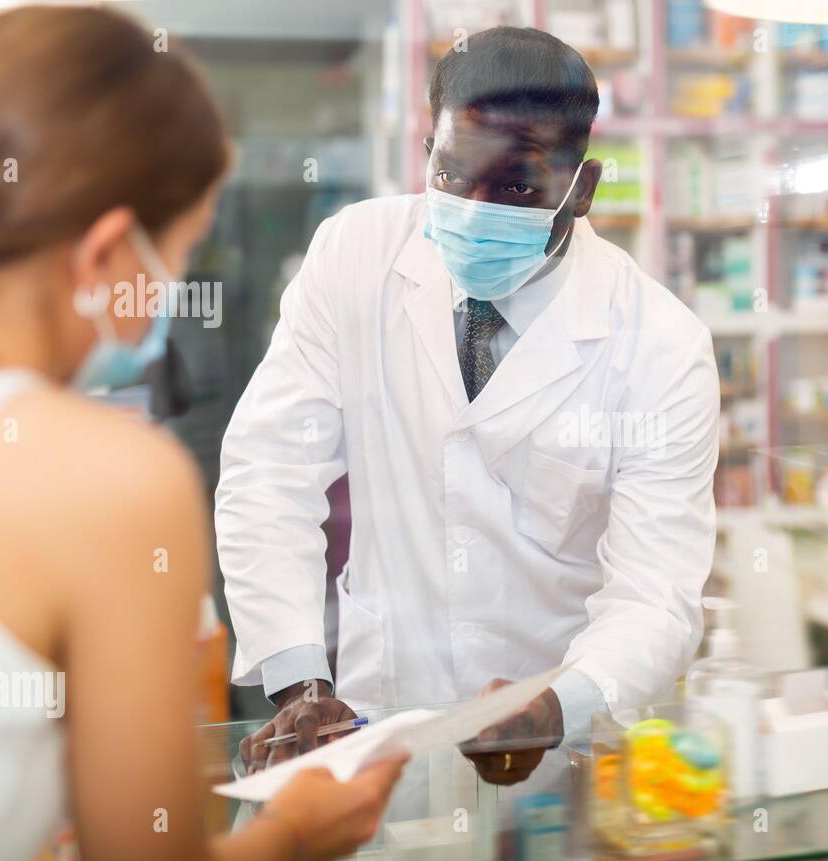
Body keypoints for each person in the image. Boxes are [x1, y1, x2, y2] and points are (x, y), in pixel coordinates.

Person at [218, 26, 720, 785]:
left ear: (581, 189)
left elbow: (657, 598)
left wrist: (559, 706)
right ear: (428, 151)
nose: (476, 209)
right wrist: (300, 685)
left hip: (558, 758)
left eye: (518, 187)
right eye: (453, 176)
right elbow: (268, 475)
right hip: (377, 722)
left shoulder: (660, 344)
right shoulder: (354, 255)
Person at [0, 5, 404, 861]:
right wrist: (297, 834)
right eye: (178, 256)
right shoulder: (108, 482)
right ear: (103, 255)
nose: (170, 296)